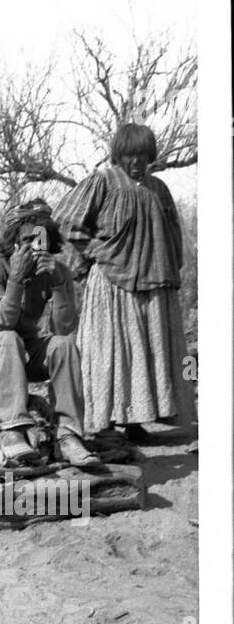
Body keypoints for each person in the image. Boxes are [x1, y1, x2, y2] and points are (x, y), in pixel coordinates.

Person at [55, 122, 194, 442]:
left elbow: (173, 234)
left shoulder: (159, 188)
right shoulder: (103, 182)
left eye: (143, 155)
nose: (136, 162)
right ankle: (103, 423)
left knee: (151, 351)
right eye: (130, 155)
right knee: (111, 352)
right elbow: (66, 219)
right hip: (112, 284)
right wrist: (93, 251)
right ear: (119, 155)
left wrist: (172, 270)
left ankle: (137, 422)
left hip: (156, 284)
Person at [0, 197, 98, 467]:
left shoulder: (55, 270)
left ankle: (68, 435)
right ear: (14, 240)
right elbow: (1, 322)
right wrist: (16, 278)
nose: (35, 247)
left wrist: (59, 285)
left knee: (63, 346)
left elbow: (63, 329)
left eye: (41, 239)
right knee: (7, 339)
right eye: (27, 240)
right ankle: (12, 430)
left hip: (22, 351)